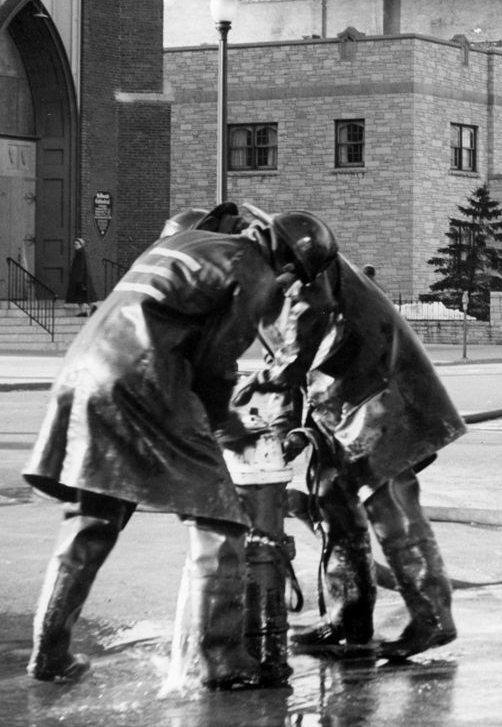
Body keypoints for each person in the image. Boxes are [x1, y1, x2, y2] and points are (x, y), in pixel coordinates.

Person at [22, 210, 338, 688]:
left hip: (85, 372)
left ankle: (50, 654)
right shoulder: (252, 269)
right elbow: (213, 365)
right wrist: (230, 429)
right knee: (221, 518)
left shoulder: (190, 243)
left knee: (92, 520)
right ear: (291, 267)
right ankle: (222, 659)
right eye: (295, 283)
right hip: (146, 381)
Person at [236, 239, 466, 662]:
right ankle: (349, 618)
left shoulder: (308, 269)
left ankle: (432, 619)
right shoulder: (268, 288)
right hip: (338, 410)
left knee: (393, 511)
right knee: (332, 507)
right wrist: (287, 429)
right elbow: (287, 363)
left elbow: (290, 359)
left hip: (379, 402)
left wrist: (258, 382)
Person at [65, 238, 94, 316]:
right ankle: (86, 310)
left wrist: (79, 279)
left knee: (80, 296)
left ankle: (88, 310)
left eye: (76, 244)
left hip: (80, 279)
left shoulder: (80, 254)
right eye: (74, 244)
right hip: (80, 279)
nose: (75, 246)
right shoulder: (80, 253)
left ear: (81, 245)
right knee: (82, 297)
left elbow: (81, 267)